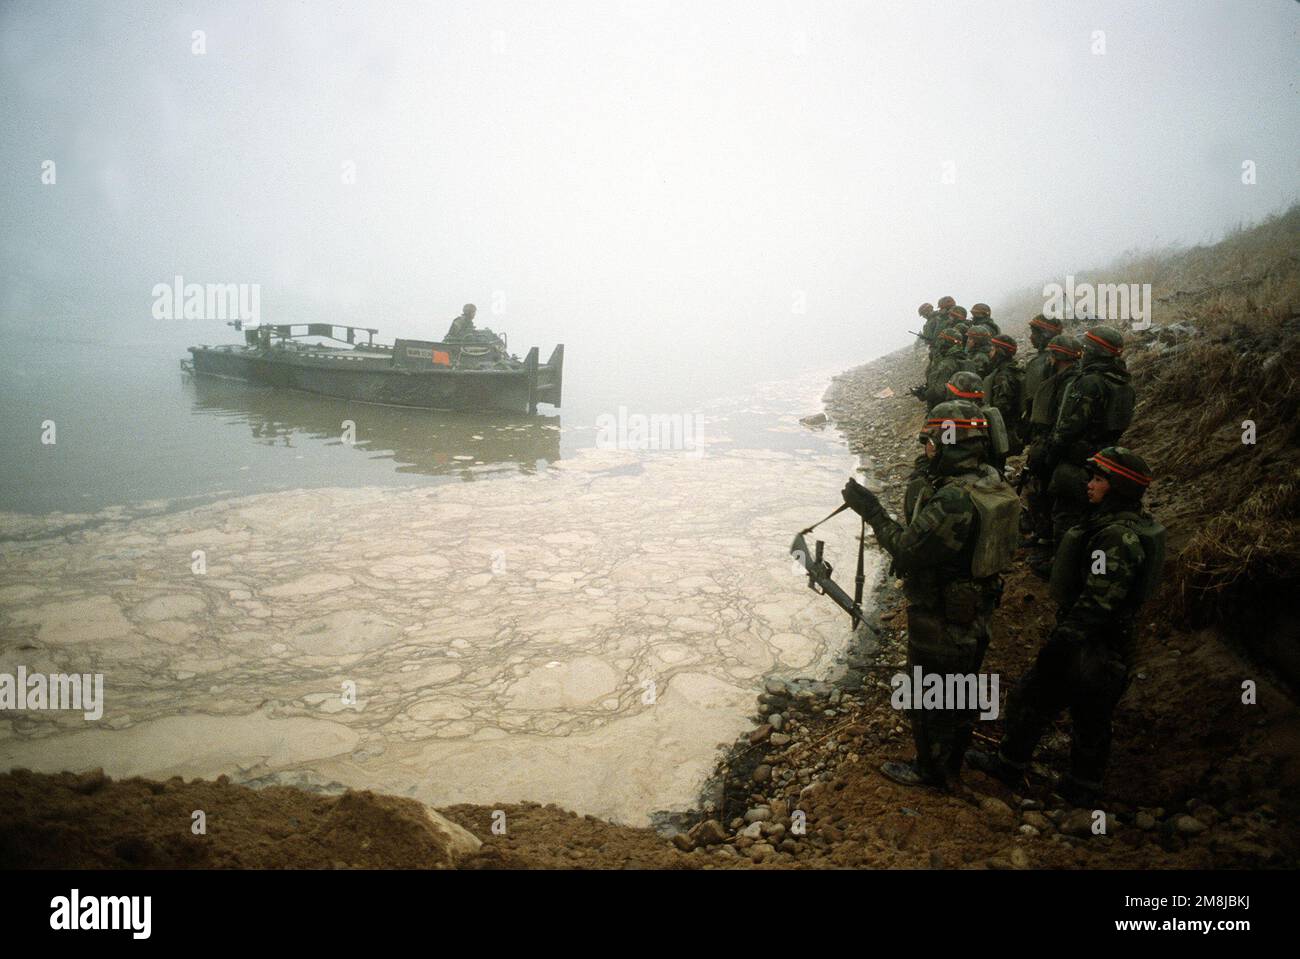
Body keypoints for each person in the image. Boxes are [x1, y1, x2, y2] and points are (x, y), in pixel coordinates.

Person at [968, 447, 1165, 805]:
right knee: (1088, 713)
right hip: (1100, 642)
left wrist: (1065, 640)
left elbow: (1099, 600)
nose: (1089, 485)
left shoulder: (1116, 538)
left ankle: (1023, 770)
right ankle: (1076, 785)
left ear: (1119, 487)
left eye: (1099, 479)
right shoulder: (1113, 527)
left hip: (1094, 643)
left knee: (1044, 698)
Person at [842, 400, 1019, 789]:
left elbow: (906, 547)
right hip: (976, 607)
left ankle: (934, 773)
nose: (926, 448)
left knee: (929, 695)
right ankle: (952, 762)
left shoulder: (954, 499)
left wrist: (871, 510)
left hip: (942, 613)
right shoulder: (989, 479)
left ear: (943, 443)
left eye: (931, 442)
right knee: (962, 689)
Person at [1037, 325, 1135, 573]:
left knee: (1066, 514)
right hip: (1106, 457)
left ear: (1092, 351)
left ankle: (1062, 566)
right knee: (1091, 513)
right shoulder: (1123, 383)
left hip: (1077, 458)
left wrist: (1051, 454)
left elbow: (1068, 427)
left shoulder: (1089, 383)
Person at [1022, 334, 1083, 564]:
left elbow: (1061, 420)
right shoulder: (1062, 379)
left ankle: (1053, 548)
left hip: (1056, 446)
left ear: (1056, 356)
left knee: (1051, 496)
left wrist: (1047, 449)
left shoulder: (1070, 383)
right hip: (1050, 443)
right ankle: (1043, 537)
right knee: (1041, 491)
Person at [1020, 315, 1066, 439]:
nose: (1031, 337)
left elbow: (1034, 398)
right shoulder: (1059, 360)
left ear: (1045, 335)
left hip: (1046, 429)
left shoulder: (1045, 363)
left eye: (1034, 333)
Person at [982, 333, 1024, 460]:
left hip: (1005, 431)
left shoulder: (1003, 375)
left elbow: (1002, 407)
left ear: (1000, 352)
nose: (990, 352)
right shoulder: (1010, 370)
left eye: (993, 349)